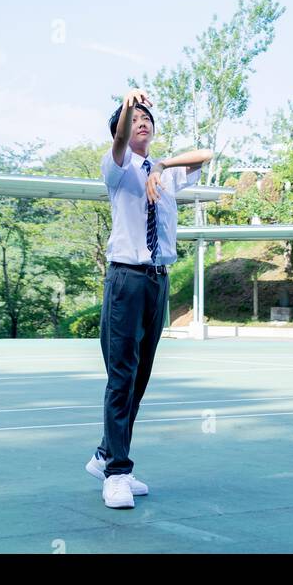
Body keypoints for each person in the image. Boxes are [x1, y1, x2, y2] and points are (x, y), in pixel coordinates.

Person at [86, 87, 212, 508]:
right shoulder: (117, 167)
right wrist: (125, 102)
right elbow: (120, 140)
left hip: (158, 280)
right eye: (134, 117)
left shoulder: (167, 172)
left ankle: (107, 453)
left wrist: (162, 163)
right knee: (121, 376)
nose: (142, 121)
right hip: (126, 279)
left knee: (138, 380)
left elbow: (206, 154)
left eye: (146, 116)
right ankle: (116, 472)